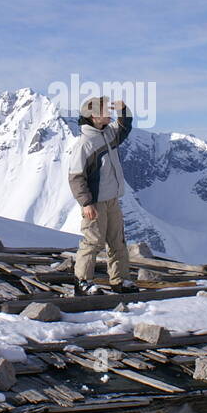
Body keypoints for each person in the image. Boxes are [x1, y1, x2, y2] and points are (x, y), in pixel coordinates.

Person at [68, 96, 137, 294]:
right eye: (105, 110)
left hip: (112, 199)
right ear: (94, 116)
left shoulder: (108, 134)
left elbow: (125, 128)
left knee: (117, 241)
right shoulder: (85, 143)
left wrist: (124, 110)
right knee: (92, 242)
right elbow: (75, 177)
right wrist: (86, 203)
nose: (109, 112)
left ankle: (120, 280)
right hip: (96, 203)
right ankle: (82, 282)